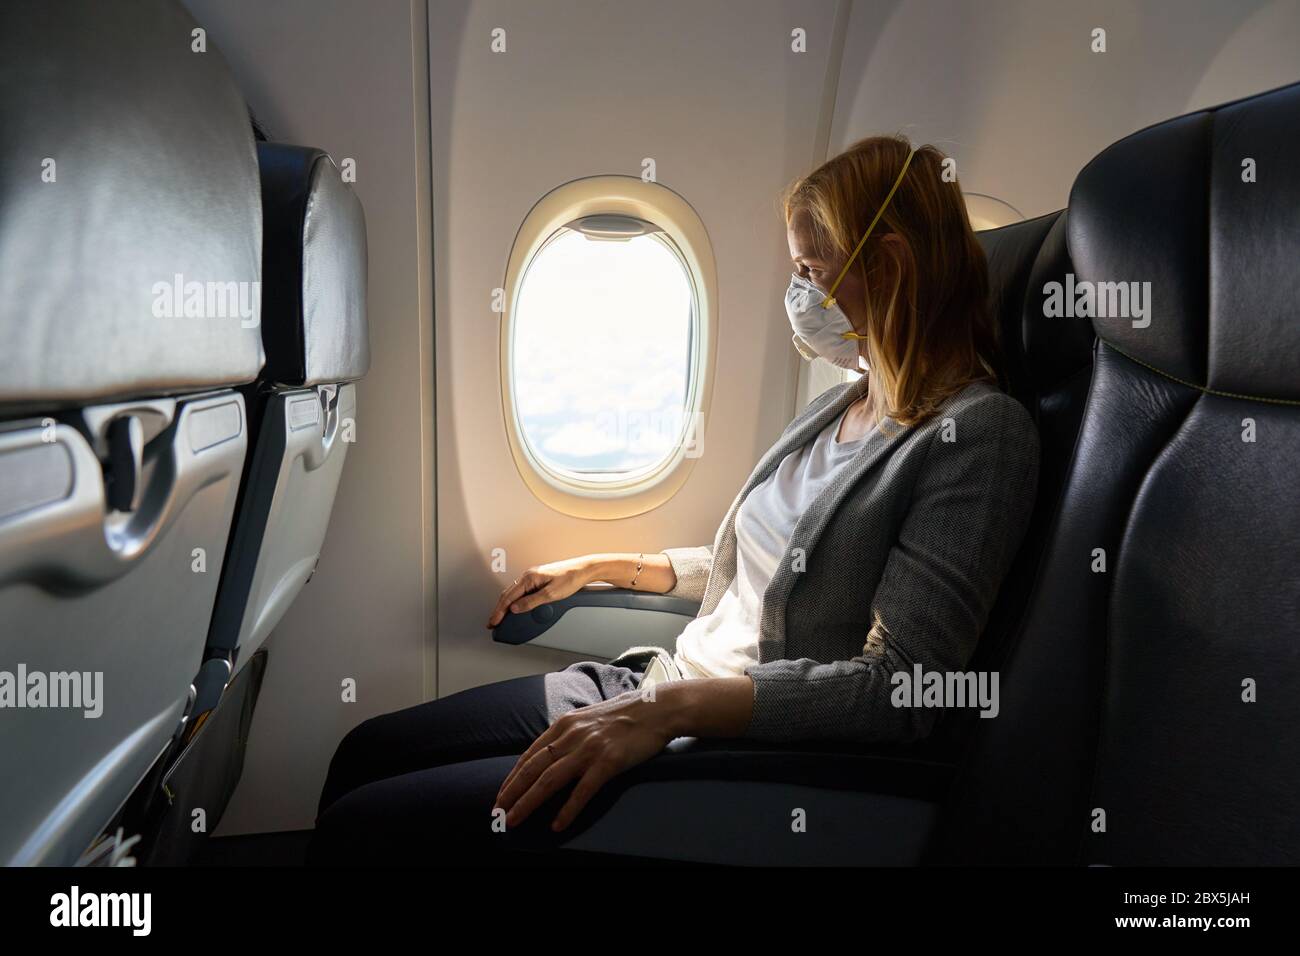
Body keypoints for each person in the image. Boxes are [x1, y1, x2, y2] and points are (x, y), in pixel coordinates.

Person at [308, 135, 1039, 864]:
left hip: (730, 743)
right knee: (366, 753)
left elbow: (901, 688)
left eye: (813, 270)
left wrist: (668, 711)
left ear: (888, 267)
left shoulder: (976, 434)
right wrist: (608, 566)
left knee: (366, 828)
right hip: (657, 686)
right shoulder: (849, 402)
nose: (801, 293)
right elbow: (770, 570)